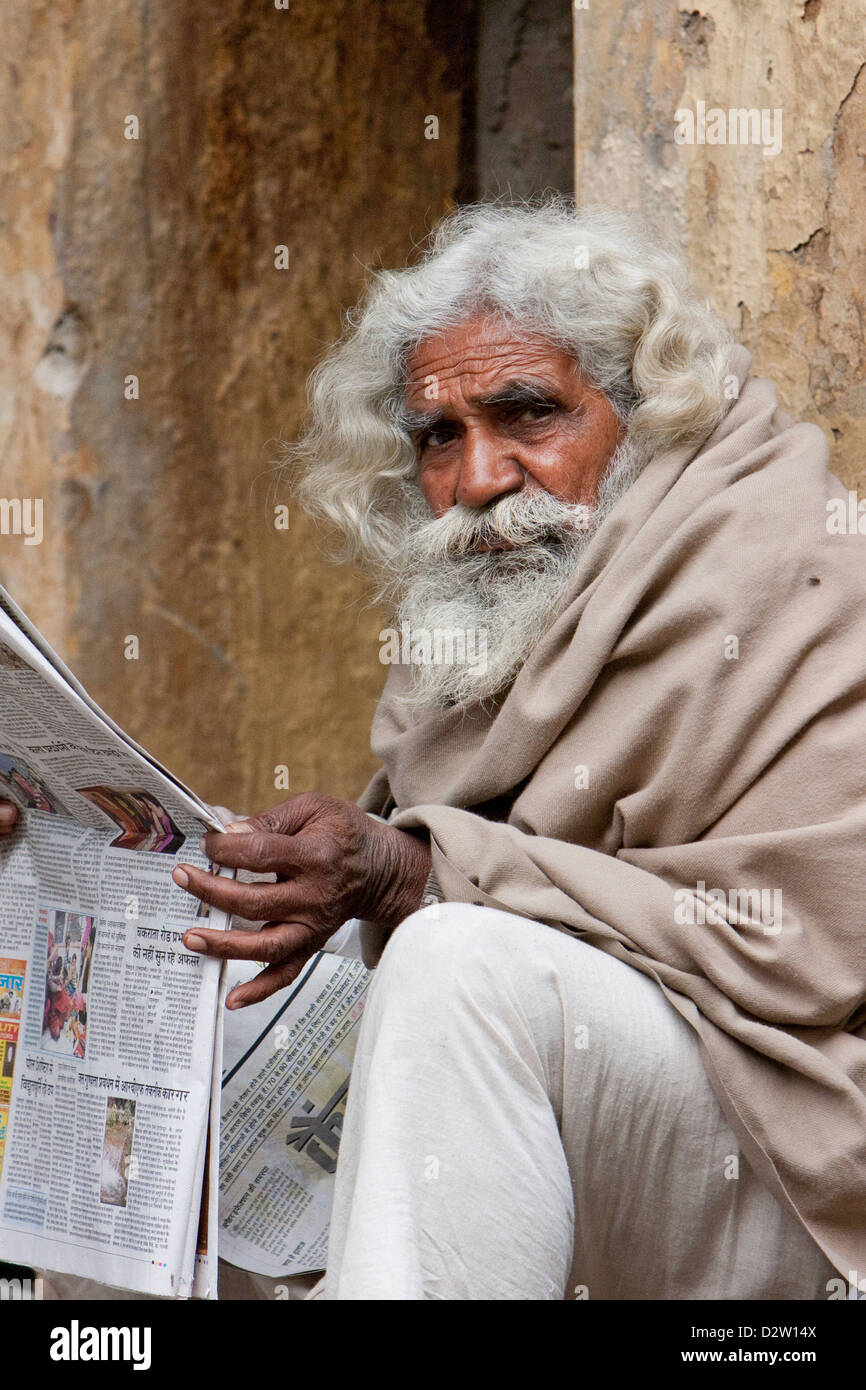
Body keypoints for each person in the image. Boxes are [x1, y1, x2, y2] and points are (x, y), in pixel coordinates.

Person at [4, 200, 864, 1300]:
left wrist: (415, 875)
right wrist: (74, 856)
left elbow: (807, 951)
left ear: (648, 418)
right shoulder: (487, 614)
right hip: (561, 1144)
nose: (478, 480)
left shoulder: (800, 573)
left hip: (785, 1170)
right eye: (438, 437)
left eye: (527, 415)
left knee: (456, 962)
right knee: (174, 1019)